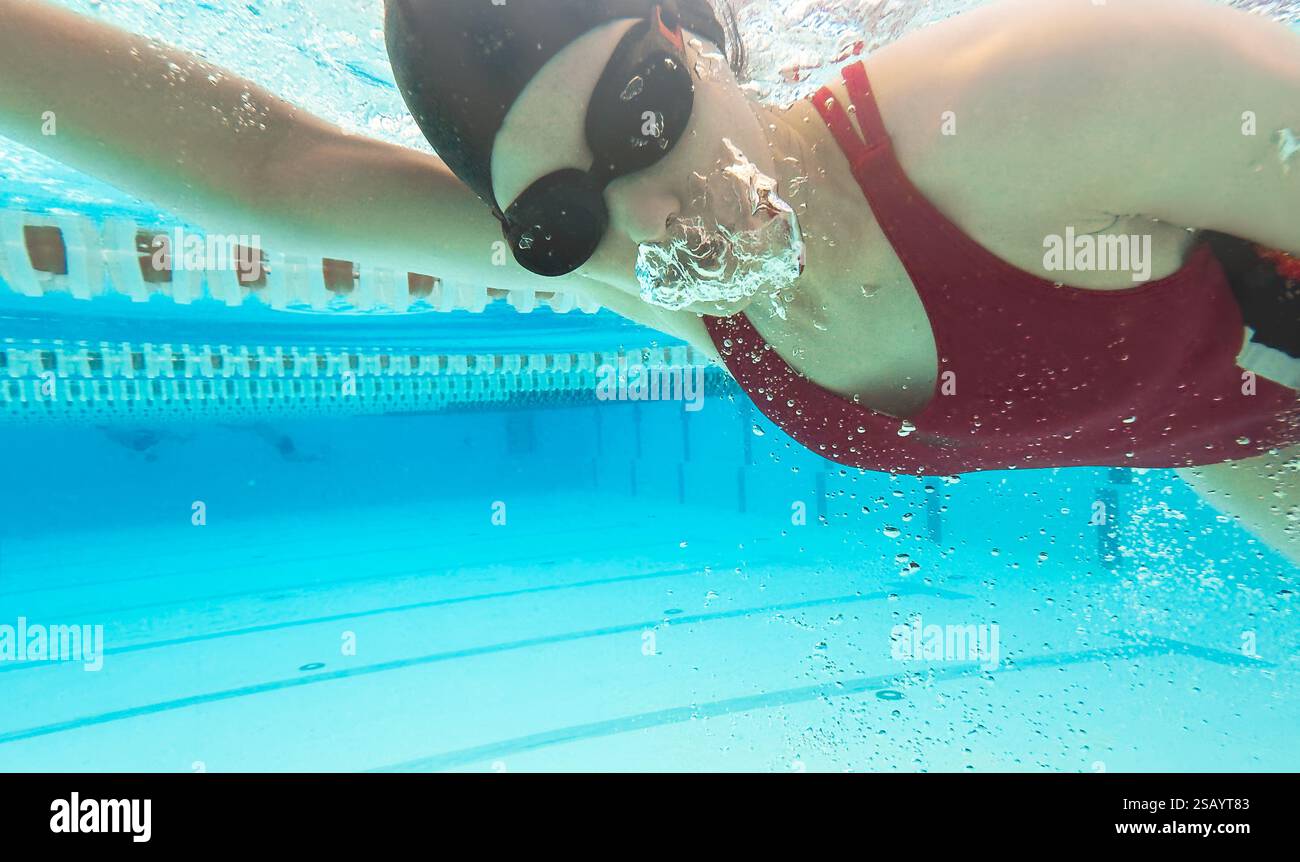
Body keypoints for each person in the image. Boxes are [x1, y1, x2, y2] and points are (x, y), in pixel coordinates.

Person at [2, 0, 1299, 562]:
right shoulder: (669, 287)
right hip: (1228, 434)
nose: (647, 212)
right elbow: (277, 164)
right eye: (563, 218)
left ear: (712, 36)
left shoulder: (1038, 101)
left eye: (641, 111)